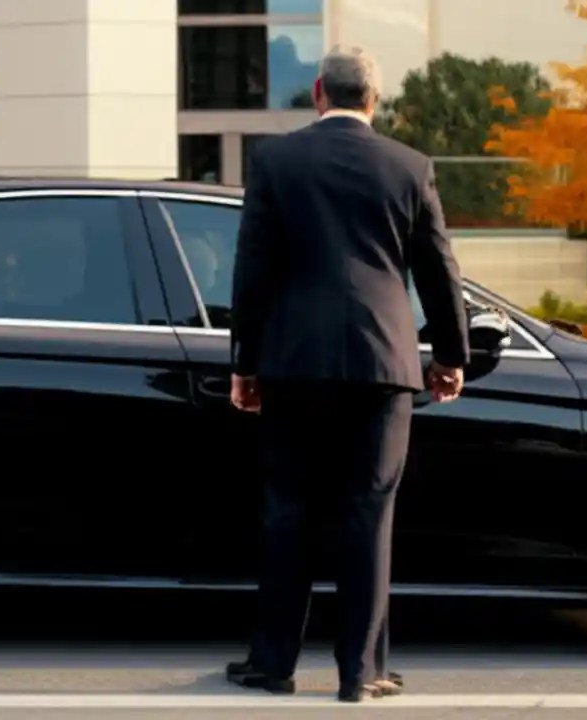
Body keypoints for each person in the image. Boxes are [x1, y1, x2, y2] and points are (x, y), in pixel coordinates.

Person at [223, 46, 468, 703]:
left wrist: (245, 364)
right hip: (383, 366)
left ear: (317, 92)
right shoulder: (410, 167)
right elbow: (439, 272)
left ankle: (272, 665)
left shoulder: (276, 162)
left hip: (294, 363)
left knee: (288, 513)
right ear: (375, 100)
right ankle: (360, 674)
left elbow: (252, 272)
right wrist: (449, 357)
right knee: (369, 516)